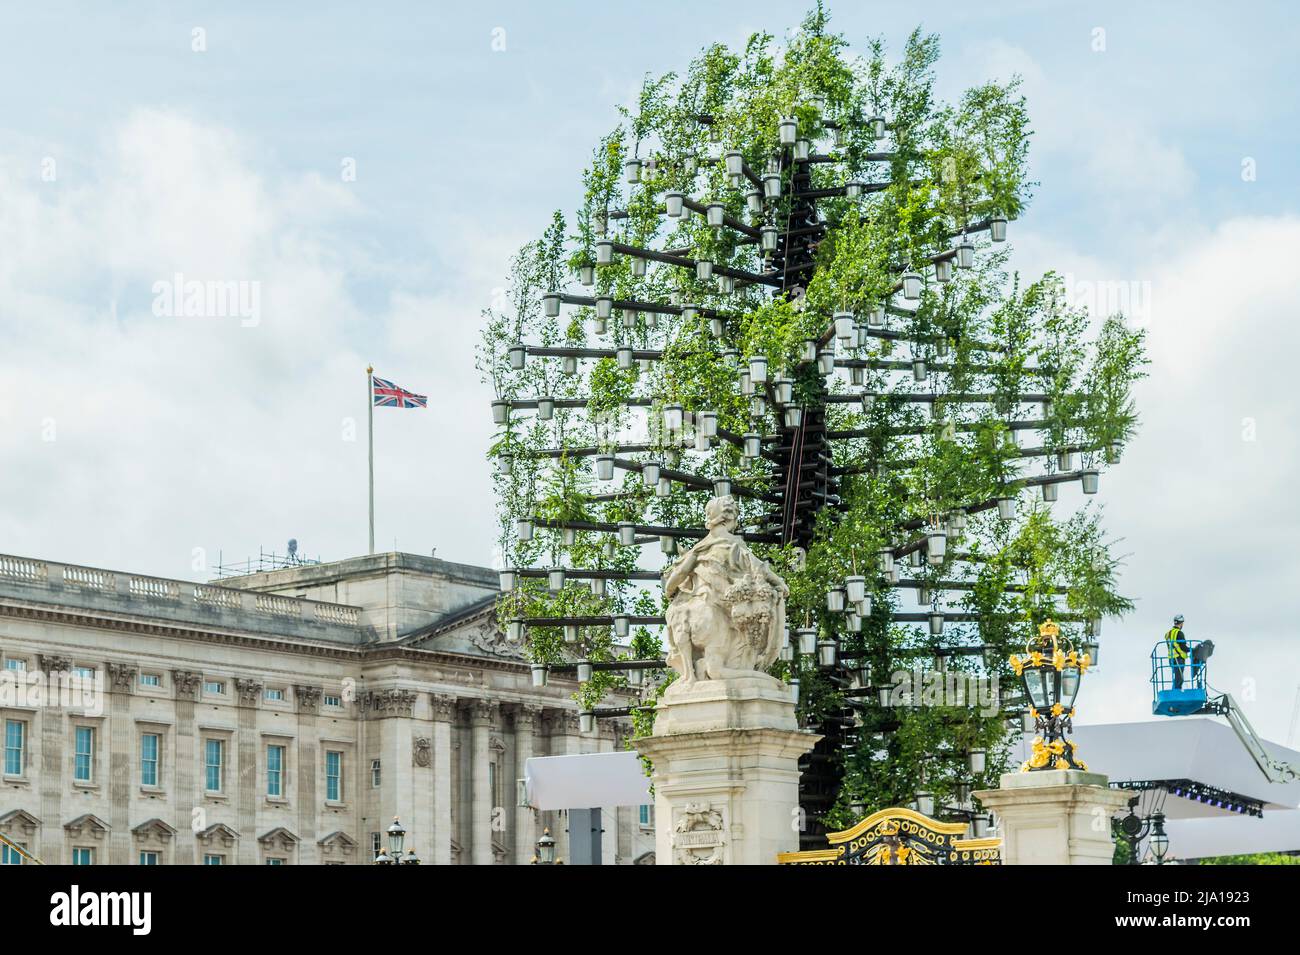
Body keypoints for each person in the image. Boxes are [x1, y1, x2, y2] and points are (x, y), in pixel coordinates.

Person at [1164, 614, 1189, 689]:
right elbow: (1183, 647)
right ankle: (1177, 691)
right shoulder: (1179, 633)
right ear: (1181, 623)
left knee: (1177, 677)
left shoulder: (1168, 633)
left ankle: (1175, 690)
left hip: (1171, 659)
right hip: (1179, 658)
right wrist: (1191, 650)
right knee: (1180, 678)